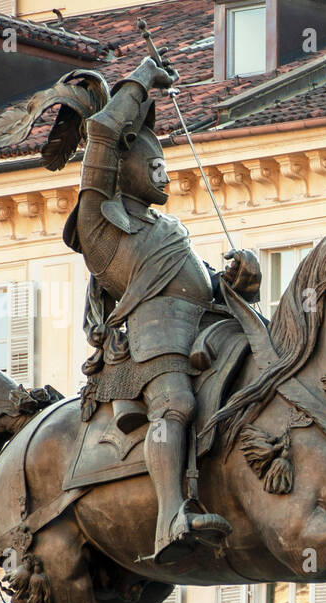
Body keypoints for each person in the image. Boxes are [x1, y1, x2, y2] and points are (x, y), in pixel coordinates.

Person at [64, 56, 260, 563]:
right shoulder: (99, 226)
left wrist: (236, 280)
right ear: (125, 171)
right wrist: (143, 77)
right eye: (155, 168)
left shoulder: (162, 227)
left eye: (165, 168)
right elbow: (104, 129)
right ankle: (170, 515)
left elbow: (198, 284)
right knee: (176, 404)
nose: (164, 176)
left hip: (207, 331)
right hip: (155, 341)